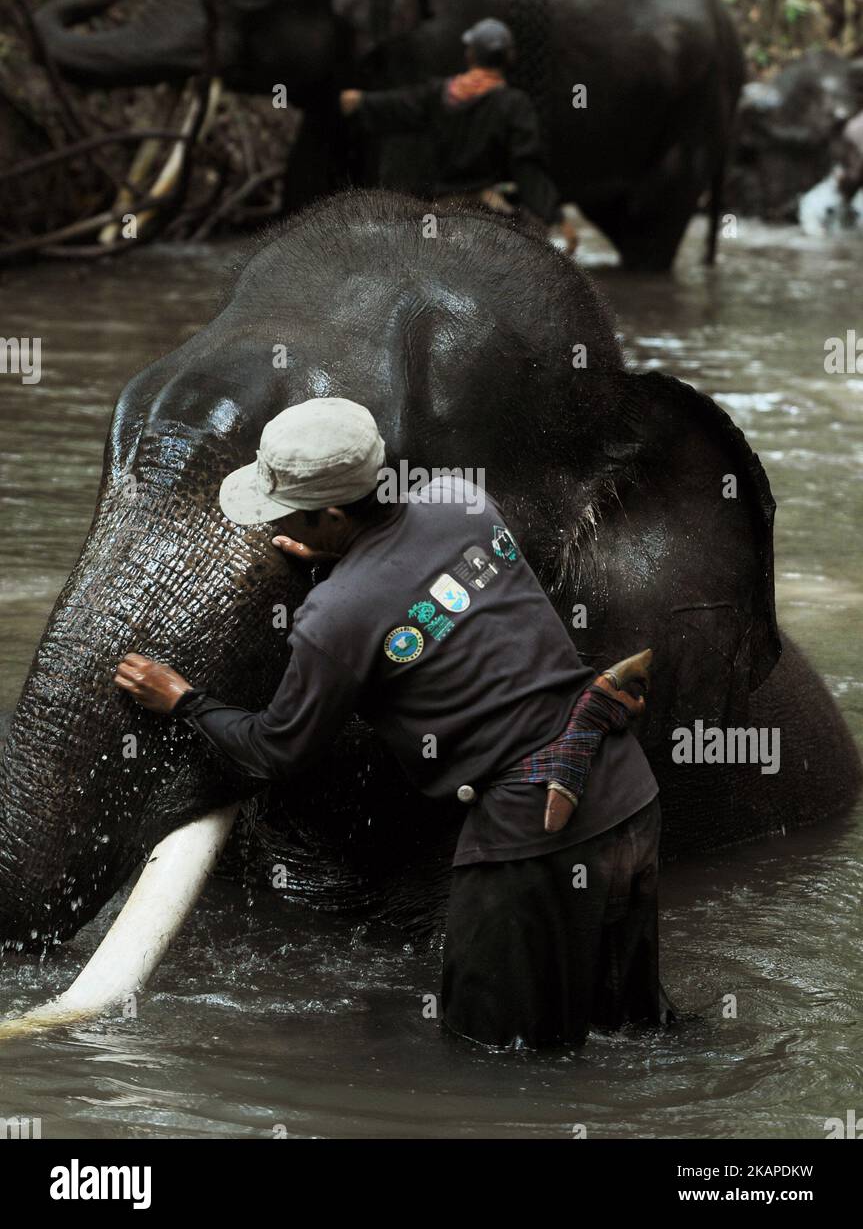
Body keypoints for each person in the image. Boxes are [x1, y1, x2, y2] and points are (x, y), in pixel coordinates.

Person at [114, 397, 672, 1050]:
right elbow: (443, 595)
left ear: (327, 514)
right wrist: (339, 563)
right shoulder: (460, 500)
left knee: (493, 1056)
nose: (282, 524)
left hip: (535, 832)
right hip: (624, 788)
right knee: (632, 1034)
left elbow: (273, 750)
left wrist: (182, 699)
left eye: (290, 514)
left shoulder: (334, 618)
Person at [339, 17, 579, 255]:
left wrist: (361, 101)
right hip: (490, 212)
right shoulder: (514, 105)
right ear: (509, 57)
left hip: (442, 209)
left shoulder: (438, 94)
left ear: (470, 55)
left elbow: (399, 105)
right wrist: (555, 216)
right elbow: (527, 167)